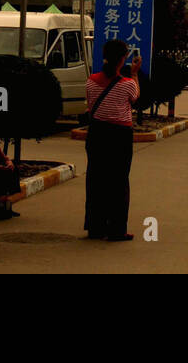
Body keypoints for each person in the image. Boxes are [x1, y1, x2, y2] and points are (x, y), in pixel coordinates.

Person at [84, 40, 142, 241]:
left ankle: (95, 226)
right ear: (123, 59)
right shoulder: (127, 85)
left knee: (96, 179)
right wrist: (134, 73)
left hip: (97, 133)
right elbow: (136, 97)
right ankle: (117, 229)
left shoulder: (91, 81)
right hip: (120, 136)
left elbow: (91, 105)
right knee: (118, 181)